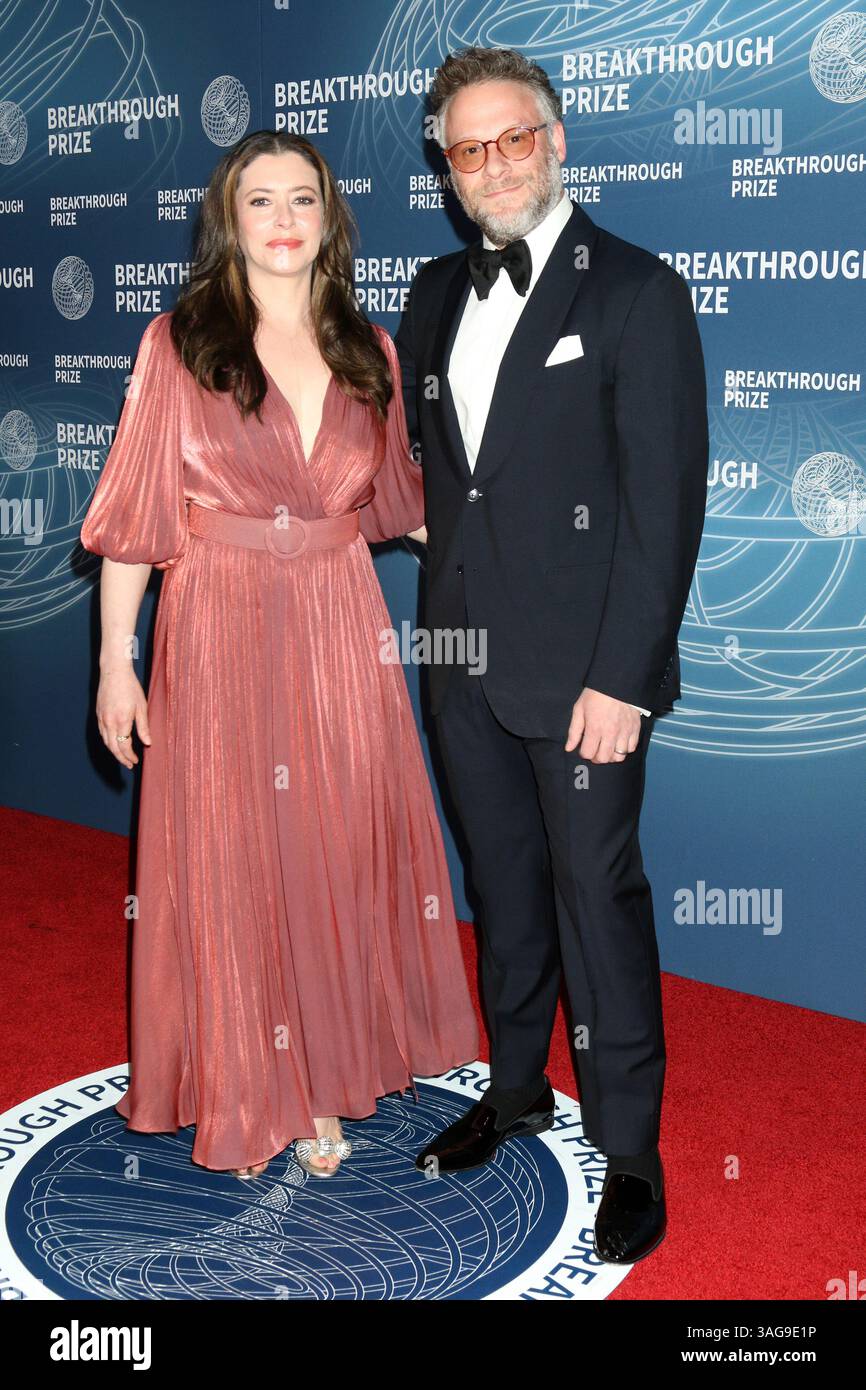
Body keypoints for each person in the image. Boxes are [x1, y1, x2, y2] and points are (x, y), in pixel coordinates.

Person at [80, 129, 479, 1181]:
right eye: (260, 201)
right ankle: (253, 1087)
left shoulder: (371, 349)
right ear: (229, 220)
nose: (284, 219)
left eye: (303, 198)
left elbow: (406, 508)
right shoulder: (177, 343)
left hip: (339, 622)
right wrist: (117, 662)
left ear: (330, 216)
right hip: (215, 616)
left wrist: (536, 552)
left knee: (330, 845)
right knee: (232, 851)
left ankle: (318, 1073)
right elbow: (134, 521)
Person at [397, 48, 708, 1263]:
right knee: (503, 889)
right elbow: (437, 477)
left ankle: (628, 1147)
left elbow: (660, 506)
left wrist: (623, 678)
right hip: (461, 654)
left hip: (585, 674)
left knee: (597, 898)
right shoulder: (429, 294)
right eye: (464, 148)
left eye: (509, 138)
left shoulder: (633, 289)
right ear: (446, 165)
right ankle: (517, 1085)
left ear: (556, 138)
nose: (489, 166)